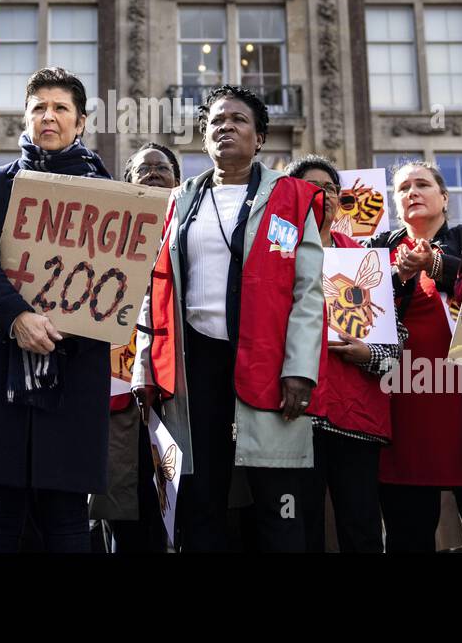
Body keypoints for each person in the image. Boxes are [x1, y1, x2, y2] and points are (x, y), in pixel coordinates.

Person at [133, 85, 325, 553]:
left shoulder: (293, 198)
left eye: (239, 120)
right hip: (193, 366)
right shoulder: (177, 203)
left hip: (269, 364)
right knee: (201, 500)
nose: (226, 127)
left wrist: (300, 368)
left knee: (276, 499)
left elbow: (309, 292)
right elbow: (151, 287)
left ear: (260, 137)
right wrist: (144, 365)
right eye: (216, 121)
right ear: (204, 138)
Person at [0, 68, 112, 553]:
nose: (49, 117)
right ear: (26, 118)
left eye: (60, 108)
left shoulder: (111, 192)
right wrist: (18, 317)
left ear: (80, 122)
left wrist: (60, 327)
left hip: (73, 368)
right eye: (39, 108)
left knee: (67, 522)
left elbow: (118, 283)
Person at [369, 161, 462, 553]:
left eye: (422, 184)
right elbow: (360, 312)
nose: (412, 193)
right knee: (407, 537)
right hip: (403, 410)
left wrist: (435, 264)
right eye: (403, 188)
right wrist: (398, 278)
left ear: (444, 197)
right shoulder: (379, 250)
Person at [288, 155, 405, 553]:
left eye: (331, 188)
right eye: (311, 187)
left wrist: (367, 354)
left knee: (362, 529)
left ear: (340, 200)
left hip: (355, 416)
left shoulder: (365, 257)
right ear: (292, 195)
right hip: (293, 414)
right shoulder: (274, 252)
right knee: (300, 530)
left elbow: (396, 347)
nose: (323, 194)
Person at [90, 142, 179, 554]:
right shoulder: (106, 240)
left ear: (177, 181)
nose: (154, 174)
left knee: (184, 507)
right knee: (126, 510)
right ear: (128, 182)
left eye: (162, 169)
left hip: (178, 394)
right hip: (119, 396)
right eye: (144, 170)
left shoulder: (192, 233)